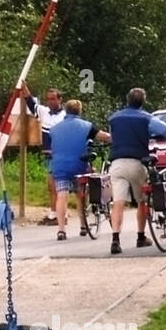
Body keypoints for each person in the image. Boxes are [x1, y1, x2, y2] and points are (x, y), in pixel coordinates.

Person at [107, 87, 166, 255]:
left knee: (118, 202)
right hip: (136, 163)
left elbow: (113, 137)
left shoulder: (113, 118)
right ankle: (141, 237)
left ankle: (115, 240)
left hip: (116, 164)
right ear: (143, 102)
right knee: (142, 200)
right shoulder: (146, 118)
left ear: (127, 99)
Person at [48, 99, 111, 241]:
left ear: (66, 110)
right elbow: (104, 137)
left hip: (59, 166)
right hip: (79, 165)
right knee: (80, 194)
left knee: (61, 195)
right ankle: (83, 226)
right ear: (80, 111)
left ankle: (61, 230)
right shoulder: (86, 126)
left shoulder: (54, 129)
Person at [21, 82, 65, 224]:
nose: (50, 102)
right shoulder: (44, 111)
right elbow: (30, 103)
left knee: (56, 186)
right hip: (49, 155)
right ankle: (54, 213)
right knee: (51, 186)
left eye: (53, 99)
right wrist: (24, 87)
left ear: (60, 99)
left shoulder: (65, 116)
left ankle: (58, 215)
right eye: (48, 99)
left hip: (60, 155)